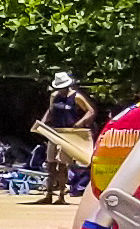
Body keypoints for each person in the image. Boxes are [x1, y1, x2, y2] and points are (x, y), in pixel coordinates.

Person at [37, 71, 97, 205]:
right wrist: (43, 122)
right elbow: (51, 111)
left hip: (69, 133)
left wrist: (80, 123)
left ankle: (62, 195)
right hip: (55, 132)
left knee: (62, 164)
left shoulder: (76, 97)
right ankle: (49, 193)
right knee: (51, 163)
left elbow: (90, 111)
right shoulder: (54, 96)